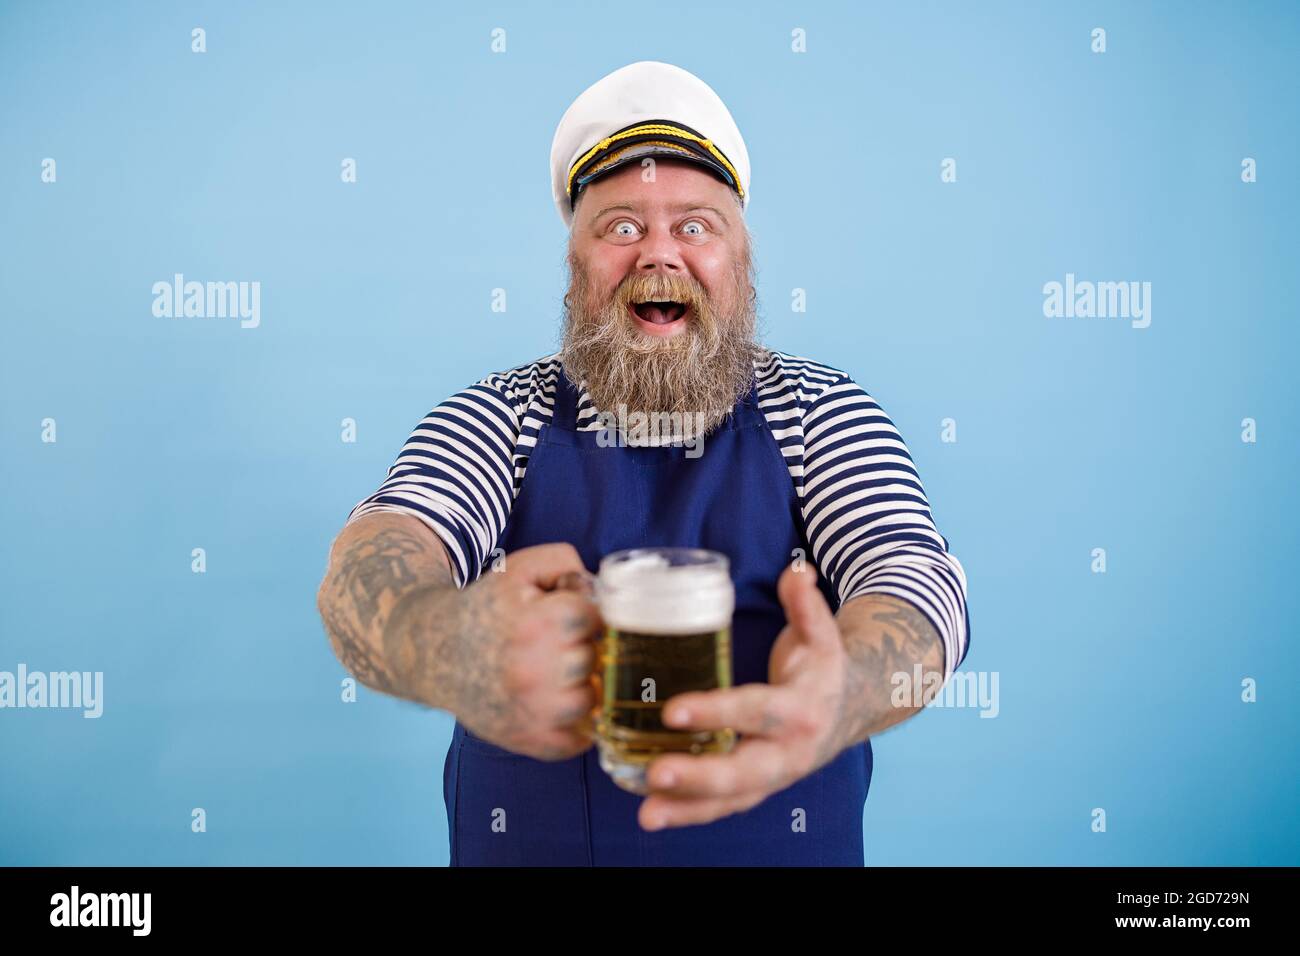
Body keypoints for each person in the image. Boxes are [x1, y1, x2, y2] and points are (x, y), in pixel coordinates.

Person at [316, 61, 971, 866]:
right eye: (621, 228)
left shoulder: (820, 411)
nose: (659, 254)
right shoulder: (500, 416)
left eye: (695, 227)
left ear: (742, 260)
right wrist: (442, 642)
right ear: (575, 264)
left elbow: (910, 576)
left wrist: (847, 690)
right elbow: (382, 549)